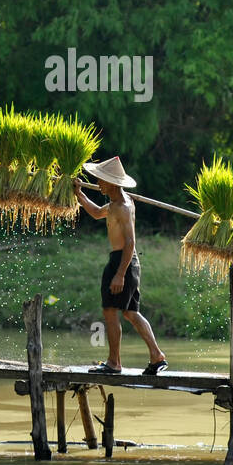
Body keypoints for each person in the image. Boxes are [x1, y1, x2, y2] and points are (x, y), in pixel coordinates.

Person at [73, 156, 168, 376]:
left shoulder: (123, 206)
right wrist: (79, 194)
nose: (98, 183)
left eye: (101, 180)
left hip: (123, 261)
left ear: (113, 183)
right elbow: (97, 212)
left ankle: (114, 363)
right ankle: (157, 356)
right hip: (125, 261)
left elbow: (130, 242)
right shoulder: (115, 203)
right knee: (130, 313)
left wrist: (119, 274)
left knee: (110, 311)